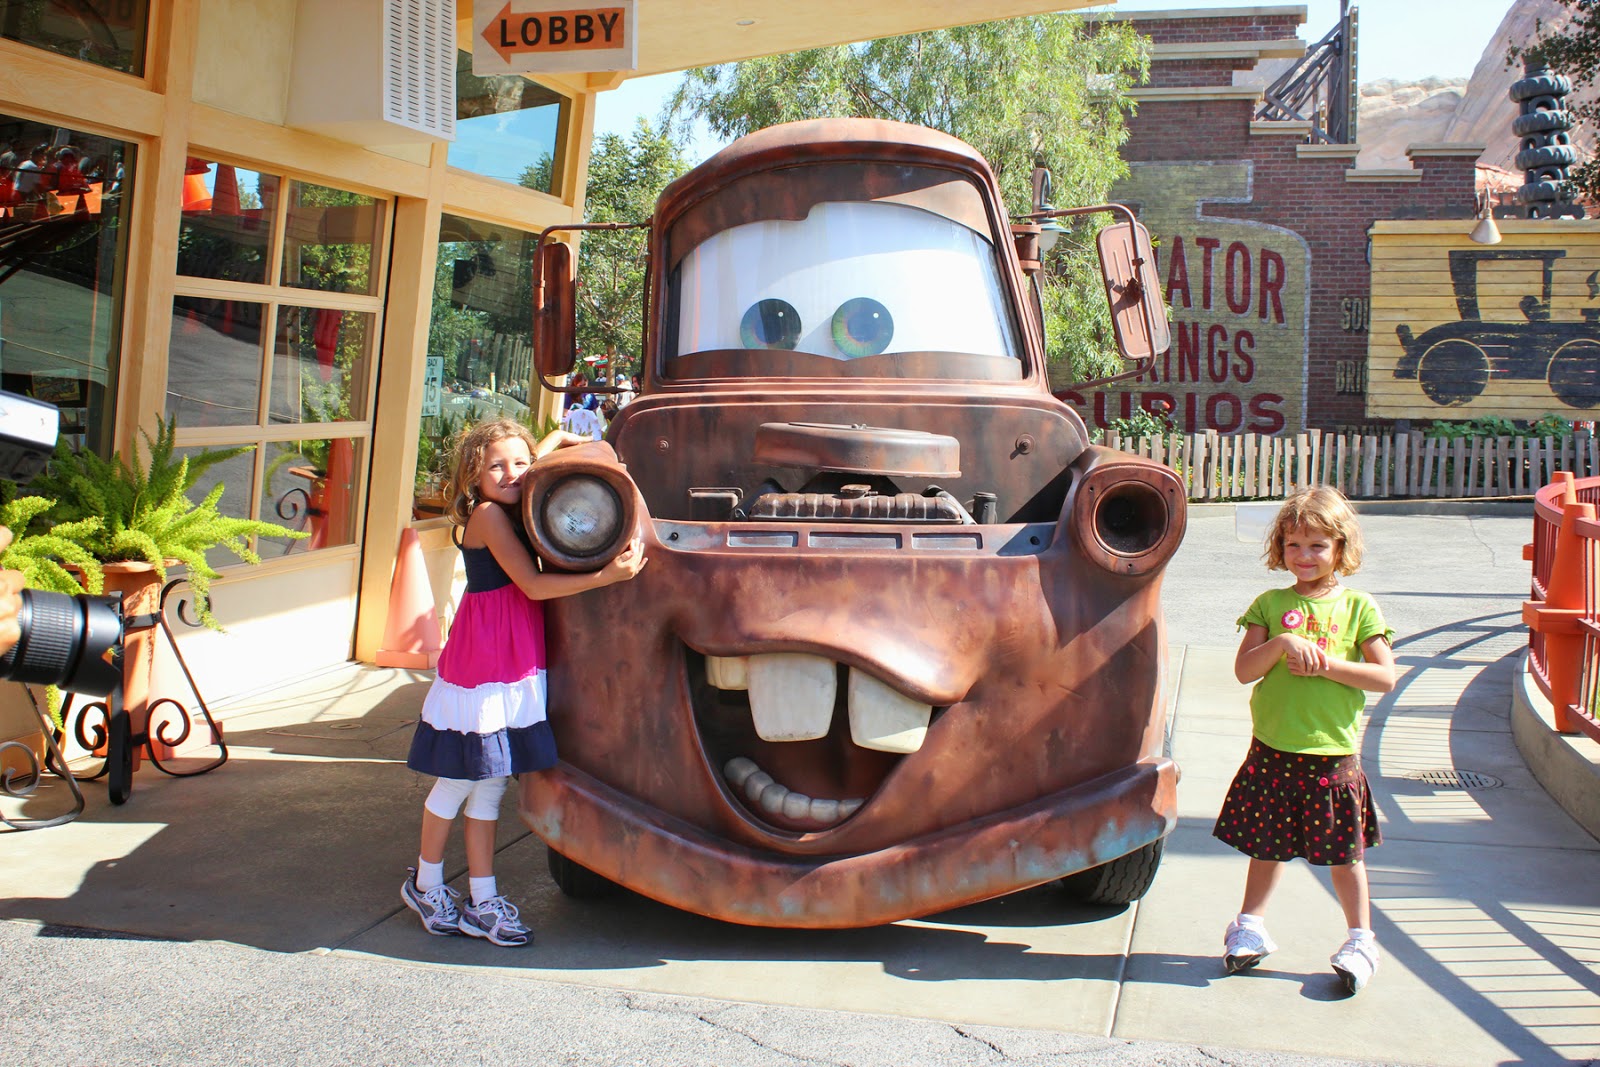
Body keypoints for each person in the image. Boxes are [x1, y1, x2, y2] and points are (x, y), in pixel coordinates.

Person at [400, 417, 646, 946]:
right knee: (460, 779)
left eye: (520, 462)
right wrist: (609, 575)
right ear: (474, 476)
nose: (511, 473)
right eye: (496, 466)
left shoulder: (513, 498)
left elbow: (536, 452)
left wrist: (560, 440)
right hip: (487, 655)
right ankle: (425, 883)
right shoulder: (490, 515)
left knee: (489, 783)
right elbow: (532, 586)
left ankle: (483, 899)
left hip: (511, 652)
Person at [1216, 486, 1396, 994]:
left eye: (1317, 545)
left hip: (1332, 754)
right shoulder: (1269, 604)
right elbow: (1244, 671)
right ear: (1280, 547)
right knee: (1266, 848)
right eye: (1294, 545)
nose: (1304, 556)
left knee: (1345, 857)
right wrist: (1280, 643)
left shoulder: (1359, 607)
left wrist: (1329, 665)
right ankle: (1249, 926)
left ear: (1340, 547)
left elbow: (1385, 678)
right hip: (1274, 748)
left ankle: (1361, 939)